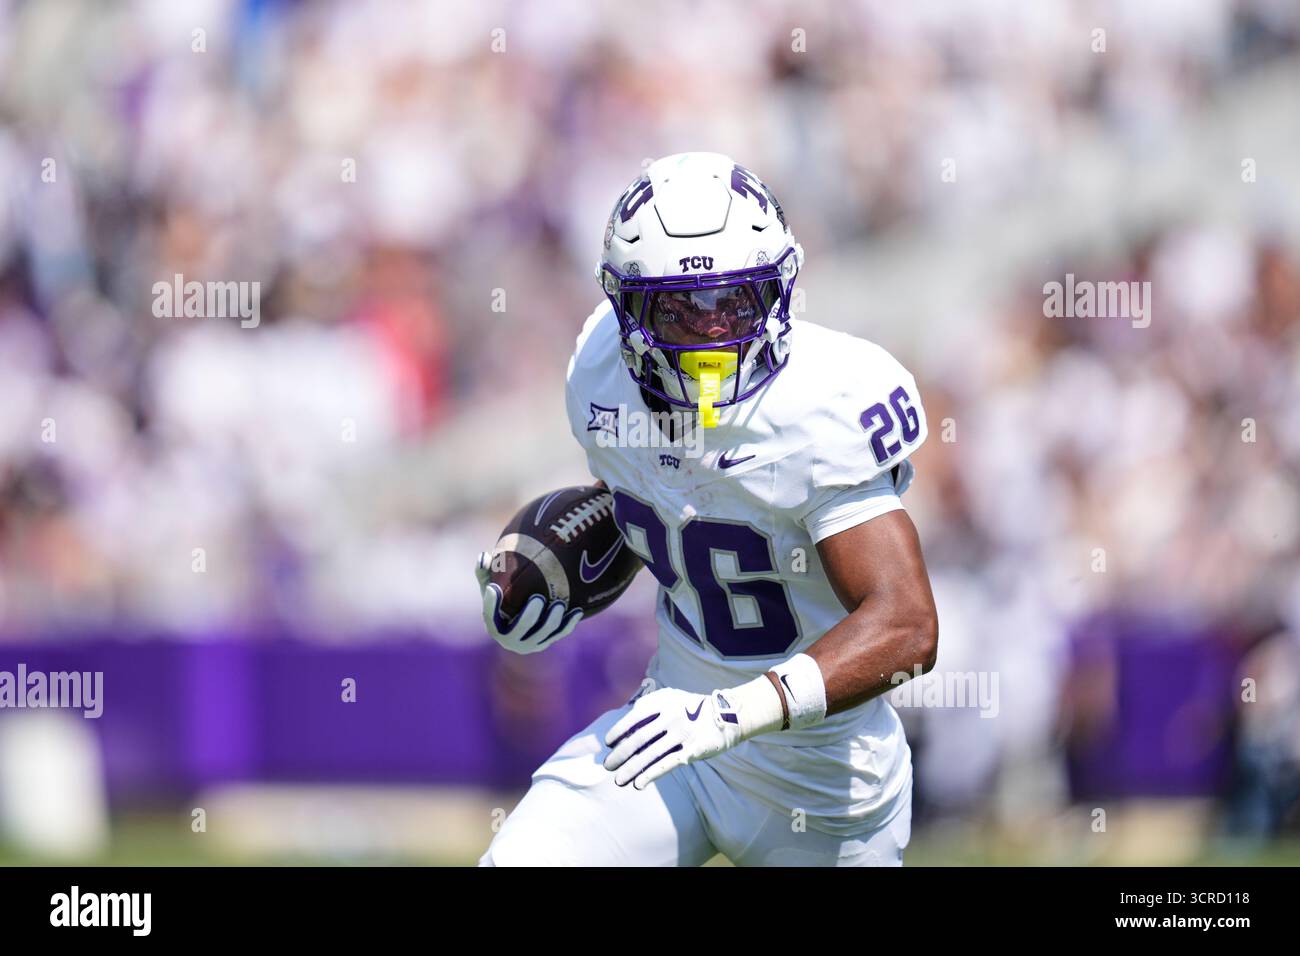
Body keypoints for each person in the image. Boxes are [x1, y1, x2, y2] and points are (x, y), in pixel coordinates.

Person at [475, 152, 938, 866]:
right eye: (678, 309)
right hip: (671, 734)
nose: (713, 331)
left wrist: (730, 713)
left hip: (819, 784)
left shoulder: (825, 404)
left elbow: (907, 627)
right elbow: (662, 503)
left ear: (780, 290)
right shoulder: (603, 373)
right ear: (625, 307)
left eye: (734, 301)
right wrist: (550, 563)